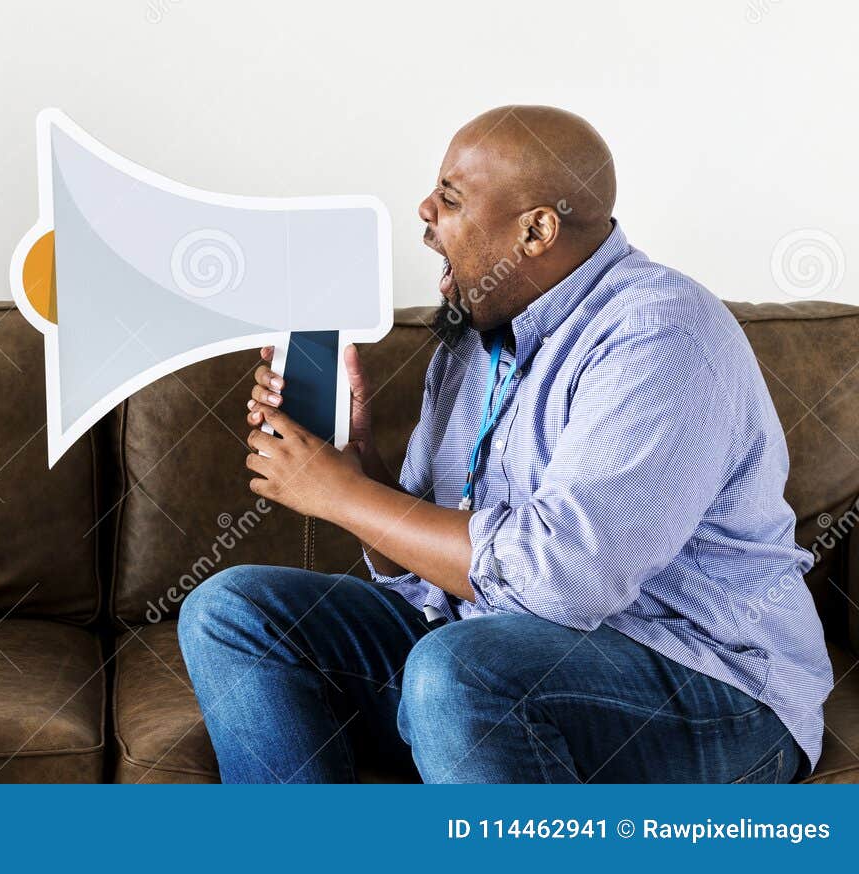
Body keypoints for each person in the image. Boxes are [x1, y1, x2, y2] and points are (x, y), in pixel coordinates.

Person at [179, 105, 833, 784]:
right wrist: (360, 466)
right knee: (235, 612)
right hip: (489, 657)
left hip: (710, 682)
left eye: (450, 198)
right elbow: (425, 571)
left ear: (536, 230)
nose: (424, 210)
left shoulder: (660, 332)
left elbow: (564, 580)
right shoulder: (472, 339)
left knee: (462, 670)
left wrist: (342, 497)